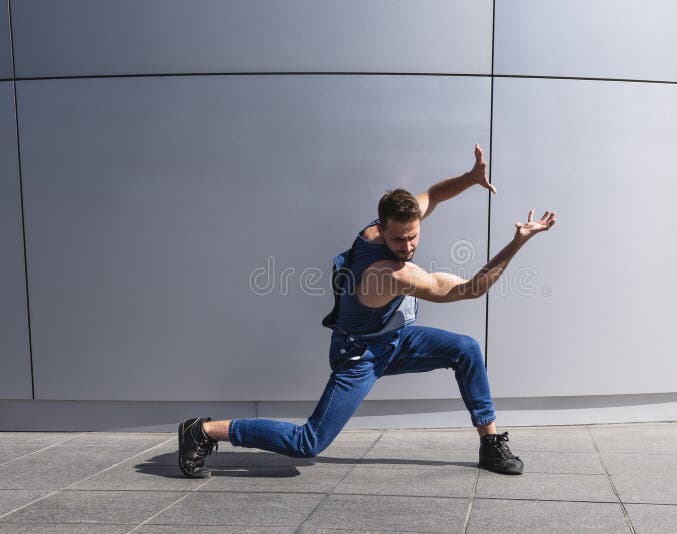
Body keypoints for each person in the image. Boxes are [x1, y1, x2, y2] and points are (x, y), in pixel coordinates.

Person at [178, 144, 557, 478]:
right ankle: (203, 431)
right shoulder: (388, 274)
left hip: (395, 338)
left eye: (414, 235)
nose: (408, 245)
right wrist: (517, 242)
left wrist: (470, 177)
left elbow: (433, 196)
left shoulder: (389, 225)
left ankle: (490, 444)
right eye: (399, 239)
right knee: (307, 443)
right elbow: (470, 290)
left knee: (466, 349)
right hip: (358, 354)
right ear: (382, 229)